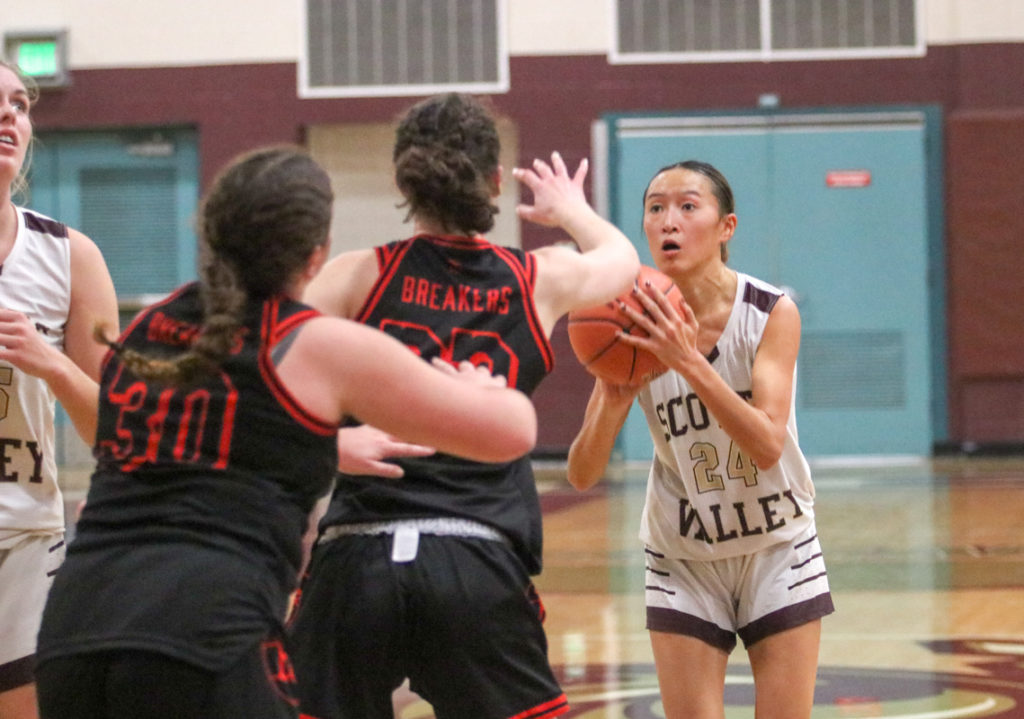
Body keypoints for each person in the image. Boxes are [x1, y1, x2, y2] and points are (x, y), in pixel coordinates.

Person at [30, 145, 540, 719]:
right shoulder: (313, 343)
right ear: (316, 256)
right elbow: (511, 433)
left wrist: (327, 446)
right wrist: (483, 387)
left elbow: (209, 445)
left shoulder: (150, 329)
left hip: (73, 630)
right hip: (204, 633)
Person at [288, 92, 640, 719]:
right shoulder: (539, 278)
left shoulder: (355, 275)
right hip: (473, 561)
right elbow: (621, 261)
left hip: (352, 563)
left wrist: (331, 445)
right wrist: (571, 211)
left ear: (404, 180)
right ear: (497, 181)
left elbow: (255, 377)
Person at [566, 160, 833, 719]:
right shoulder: (628, 318)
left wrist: (688, 362)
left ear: (726, 227)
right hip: (683, 552)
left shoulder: (769, 313)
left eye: (689, 206)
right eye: (656, 208)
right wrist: (612, 406)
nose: (670, 221)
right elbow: (582, 473)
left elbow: (766, 444)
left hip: (777, 544)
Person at [0, 59, 119, 719]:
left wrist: (54, 365)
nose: (9, 116)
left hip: (23, 540)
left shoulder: (70, 256)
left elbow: (118, 433)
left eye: (19, 103)